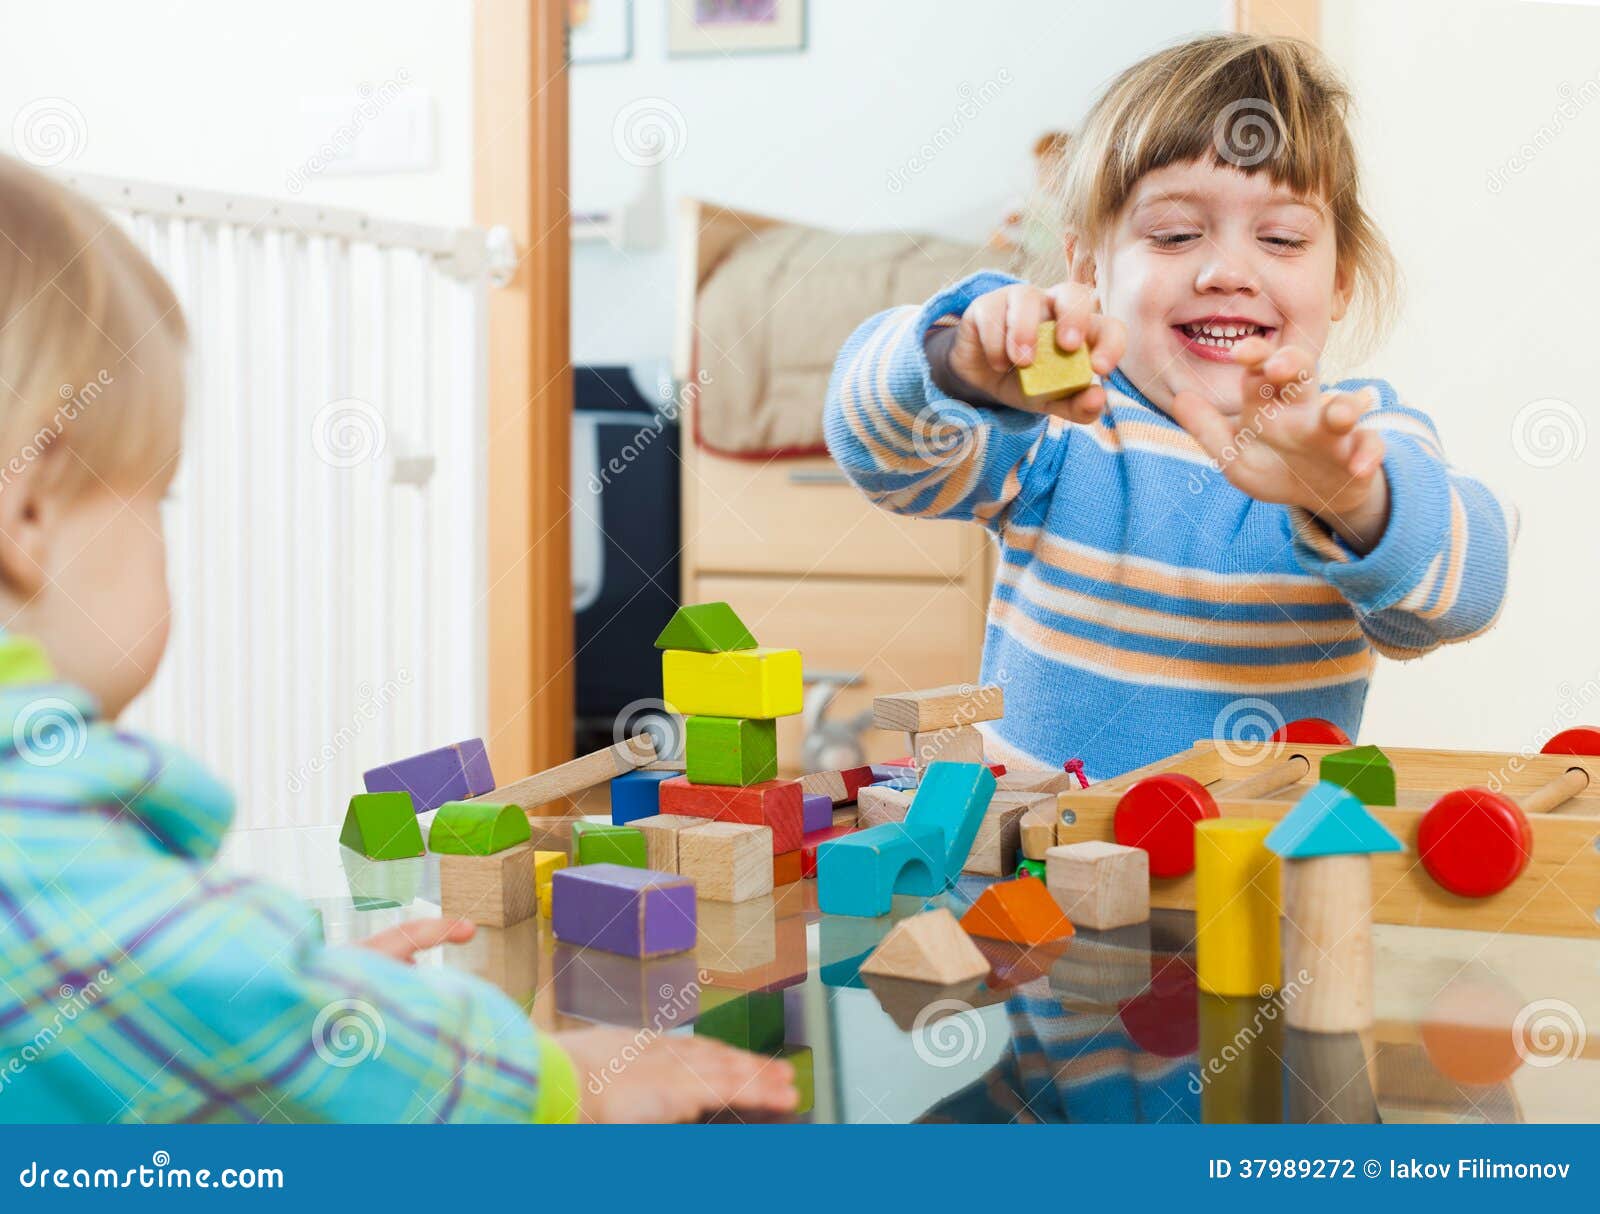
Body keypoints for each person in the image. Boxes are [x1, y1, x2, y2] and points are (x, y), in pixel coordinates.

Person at [0, 155, 795, 1124]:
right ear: (29, 512)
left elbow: (189, 1008)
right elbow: (228, 1013)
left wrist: (299, 988)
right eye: (155, 495)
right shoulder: (38, 835)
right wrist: (563, 1080)